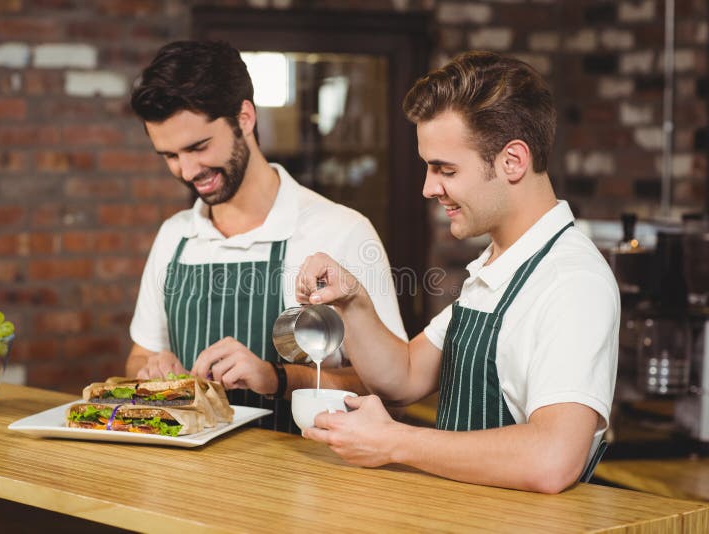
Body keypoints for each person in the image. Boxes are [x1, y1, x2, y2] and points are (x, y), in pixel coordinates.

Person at [296, 51, 620, 493]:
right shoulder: (500, 266)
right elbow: (405, 376)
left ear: (512, 161)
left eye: (445, 169)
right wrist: (352, 301)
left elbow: (553, 458)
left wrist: (396, 442)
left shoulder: (571, 282)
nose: (429, 188)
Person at [125, 40, 406, 433]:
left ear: (244, 117)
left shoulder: (341, 231)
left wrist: (278, 378)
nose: (187, 171)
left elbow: (390, 391)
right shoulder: (175, 237)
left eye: (199, 147)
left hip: (305, 481)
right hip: (187, 481)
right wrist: (151, 369)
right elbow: (139, 356)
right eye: (170, 156)